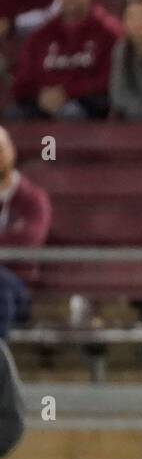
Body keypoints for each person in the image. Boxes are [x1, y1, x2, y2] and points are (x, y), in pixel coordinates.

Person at [10, 0, 121, 120]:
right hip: (43, 103)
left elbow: (111, 80)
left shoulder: (109, 31)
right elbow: (22, 82)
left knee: (71, 112)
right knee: (13, 116)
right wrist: (40, 94)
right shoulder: (41, 35)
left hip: (91, 105)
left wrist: (68, 91)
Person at [0, 125, 52, 331]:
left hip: (19, 288)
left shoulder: (33, 199)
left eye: (0, 149)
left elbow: (27, 243)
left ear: (12, 150)